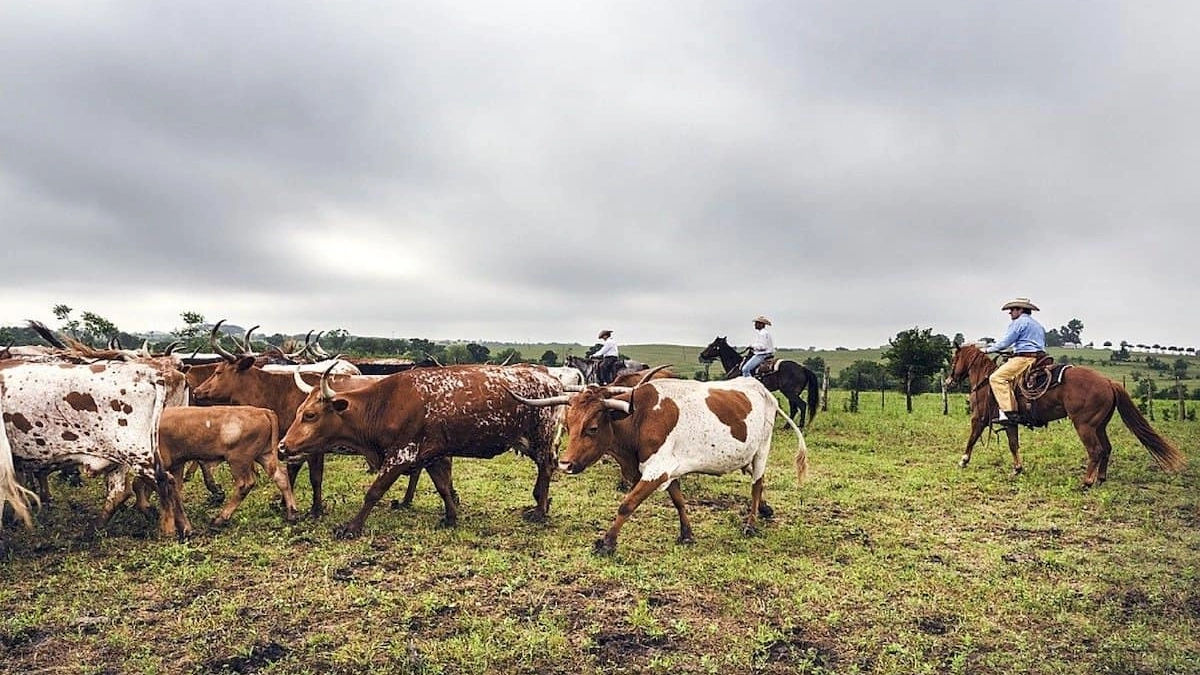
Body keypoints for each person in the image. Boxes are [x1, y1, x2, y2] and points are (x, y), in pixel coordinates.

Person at [983, 297, 1046, 426]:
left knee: (996, 378)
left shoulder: (1018, 323)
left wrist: (986, 350)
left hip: (1024, 359)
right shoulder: (1038, 325)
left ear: (1021, 310)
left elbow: (1005, 343)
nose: (1010, 312)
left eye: (1012, 309)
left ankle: (1008, 412)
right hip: (1039, 357)